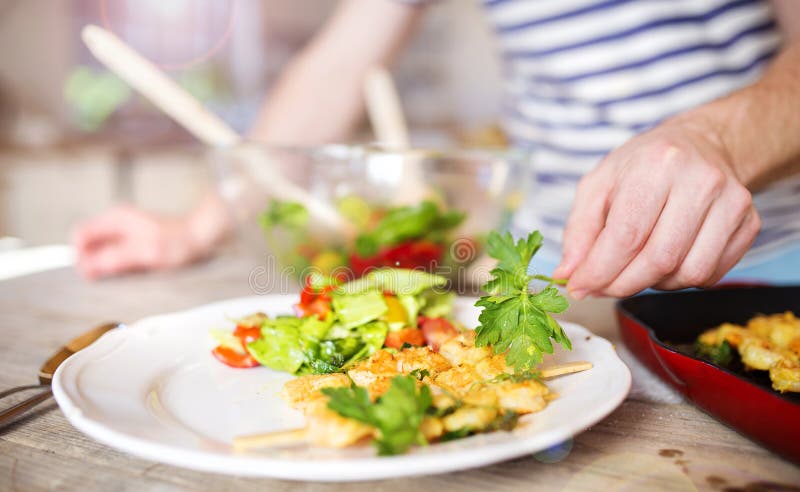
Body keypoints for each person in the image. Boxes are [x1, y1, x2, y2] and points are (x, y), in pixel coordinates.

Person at [73, 0, 800, 299]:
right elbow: (334, 69)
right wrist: (198, 226)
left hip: (770, 261)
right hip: (551, 275)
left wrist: (717, 138)